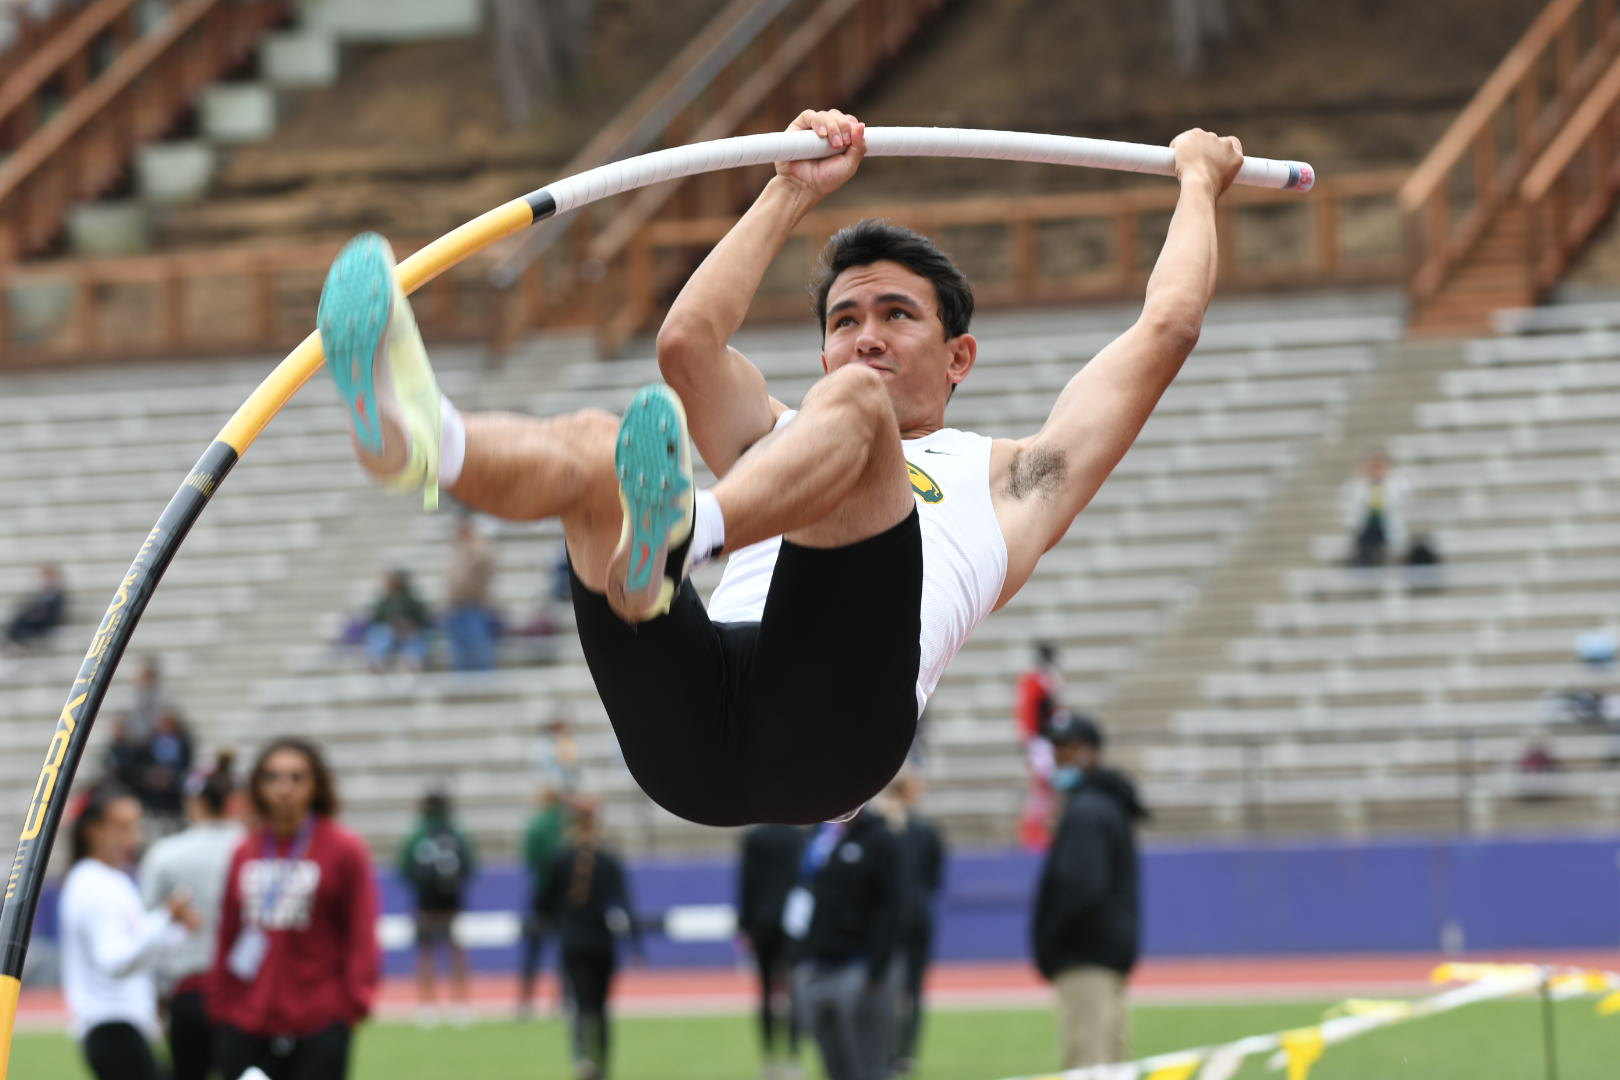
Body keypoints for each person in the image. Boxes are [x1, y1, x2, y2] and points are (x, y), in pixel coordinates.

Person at [314, 106, 1244, 827]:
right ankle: (424, 442)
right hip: (692, 734)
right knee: (603, 447)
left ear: (959, 357)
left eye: (895, 315)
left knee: (846, 416)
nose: (864, 338)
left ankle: (687, 533)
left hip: (836, 737)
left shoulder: (1015, 477)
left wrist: (1197, 183)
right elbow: (687, 341)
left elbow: (1166, 327)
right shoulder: (780, 437)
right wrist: (789, 189)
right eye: (844, 320)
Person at [208, 737, 380, 1080]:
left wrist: (352, 1003)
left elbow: (362, 931)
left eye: (296, 777)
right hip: (249, 1018)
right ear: (257, 786)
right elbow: (229, 930)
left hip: (320, 1018)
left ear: (317, 784)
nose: (284, 788)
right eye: (272, 777)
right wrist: (224, 1005)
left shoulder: (345, 848)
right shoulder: (245, 851)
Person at [1031, 713, 1148, 1071]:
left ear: (1090, 752)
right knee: (1110, 1063)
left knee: (1087, 1062)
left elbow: (1080, 889)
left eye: (1066, 748)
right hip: (1105, 952)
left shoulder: (1087, 811)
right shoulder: (1104, 805)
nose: (1058, 758)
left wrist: (1052, 942)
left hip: (1085, 955)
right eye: (1054, 749)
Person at [60, 785, 201, 1080]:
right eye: (121, 826)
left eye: (135, 825)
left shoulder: (115, 879)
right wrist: (164, 919)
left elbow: (139, 957)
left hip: (126, 1027)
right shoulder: (90, 883)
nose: (132, 836)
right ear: (92, 830)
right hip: (110, 1026)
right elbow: (114, 960)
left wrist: (177, 931)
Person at [139, 751, 245, 1080]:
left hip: (186, 992)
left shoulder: (165, 854)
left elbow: (147, 929)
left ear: (194, 802)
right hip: (243, 992)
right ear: (233, 801)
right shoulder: (251, 847)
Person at [788, 806, 903, 1080]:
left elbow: (891, 906)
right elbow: (802, 897)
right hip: (817, 964)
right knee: (832, 1065)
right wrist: (798, 956)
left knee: (869, 1065)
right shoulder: (818, 836)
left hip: (859, 964)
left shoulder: (879, 838)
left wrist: (877, 968)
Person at [536, 799, 642, 1080]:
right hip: (602, 943)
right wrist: (637, 945)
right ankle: (604, 1064)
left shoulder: (560, 858)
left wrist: (558, 920)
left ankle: (583, 1060)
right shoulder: (608, 860)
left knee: (580, 1005)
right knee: (601, 1007)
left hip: (573, 942)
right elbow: (625, 904)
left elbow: (541, 902)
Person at [400, 789, 478, 1027]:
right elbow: (471, 865)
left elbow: (404, 866)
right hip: (453, 903)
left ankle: (427, 1006)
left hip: (425, 904)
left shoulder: (417, 834)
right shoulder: (458, 833)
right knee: (457, 952)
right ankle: (461, 1005)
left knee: (426, 952)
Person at [737, 822, 808, 1078]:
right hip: (792, 923)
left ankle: (768, 1057)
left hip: (762, 921)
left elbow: (747, 882)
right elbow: (805, 880)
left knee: (766, 991)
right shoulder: (799, 836)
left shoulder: (754, 838)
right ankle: (793, 1055)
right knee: (793, 991)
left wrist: (744, 924)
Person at [888, 767, 946, 1077]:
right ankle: (905, 1052)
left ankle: (894, 1050)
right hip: (915, 918)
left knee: (889, 987)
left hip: (893, 921)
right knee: (911, 989)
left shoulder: (885, 830)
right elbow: (934, 878)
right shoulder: (924, 832)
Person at [518, 787, 571, 1018]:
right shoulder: (568, 824)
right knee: (566, 950)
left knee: (533, 950)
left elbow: (530, 858)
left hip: (541, 895)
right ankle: (563, 1000)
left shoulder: (537, 826)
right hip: (566, 896)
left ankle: (526, 1001)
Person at [1015, 643, 1063, 851]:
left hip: (1046, 739)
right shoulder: (1036, 679)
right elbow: (1028, 710)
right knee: (1041, 786)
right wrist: (1028, 738)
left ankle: (1039, 828)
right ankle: (1031, 831)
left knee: (1046, 787)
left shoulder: (1047, 678)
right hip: (1040, 740)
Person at [444, 516, 498, 672]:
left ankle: (485, 677)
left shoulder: (479, 549)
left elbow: (487, 566)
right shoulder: (458, 549)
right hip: (456, 604)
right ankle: (461, 679)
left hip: (474, 603)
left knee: (479, 643)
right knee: (459, 645)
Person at [1340, 453, 1411, 569]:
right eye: (1373, 467)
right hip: (1367, 529)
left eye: (1379, 467)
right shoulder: (1359, 485)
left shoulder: (1395, 483)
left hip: (1386, 528)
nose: (1376, 471)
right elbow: (1347, 499)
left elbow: (1405, 497)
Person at [364, 568, 432, 673]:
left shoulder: (411, 600)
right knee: (379, 634)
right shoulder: (384, 601)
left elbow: (422, 618)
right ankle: (377, 661)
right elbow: (375, 620)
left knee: (417, 637)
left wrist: (408, 625)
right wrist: (392, 625)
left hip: (409, 632)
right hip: (389, 632)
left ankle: (412, 661)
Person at [141, 708, 194, 821]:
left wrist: (173, 773)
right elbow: (148, 758)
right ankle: (156, 812)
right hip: (158, 773)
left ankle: (175, 813)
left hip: (176, 773)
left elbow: (185, 760)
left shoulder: (182, 739)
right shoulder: (154, 738)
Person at [4, 561, 66, 651]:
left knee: (21, 622)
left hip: (47, 622)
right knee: (20, 618)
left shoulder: (57, 593)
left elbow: (54, 612)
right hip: (39, 619)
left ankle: (15, 644)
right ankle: (13, 642)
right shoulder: (43, 592)